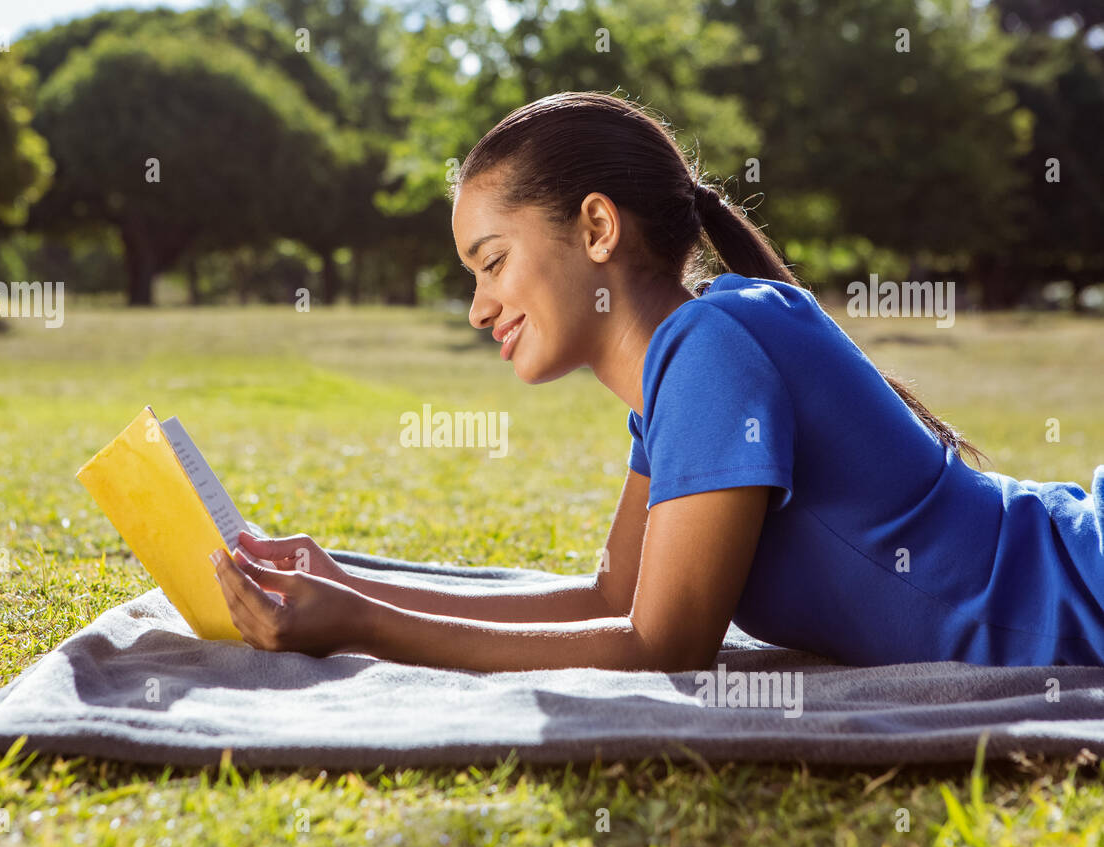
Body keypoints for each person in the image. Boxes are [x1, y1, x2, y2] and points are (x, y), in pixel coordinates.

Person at [212, 91, 1104, 671]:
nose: (478, 309)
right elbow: (613, 599)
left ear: (597, 227)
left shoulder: (712, 346)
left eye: (491, 263)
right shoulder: (693, 359)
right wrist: (351, 588)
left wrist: (360, 628)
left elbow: (661, 642)